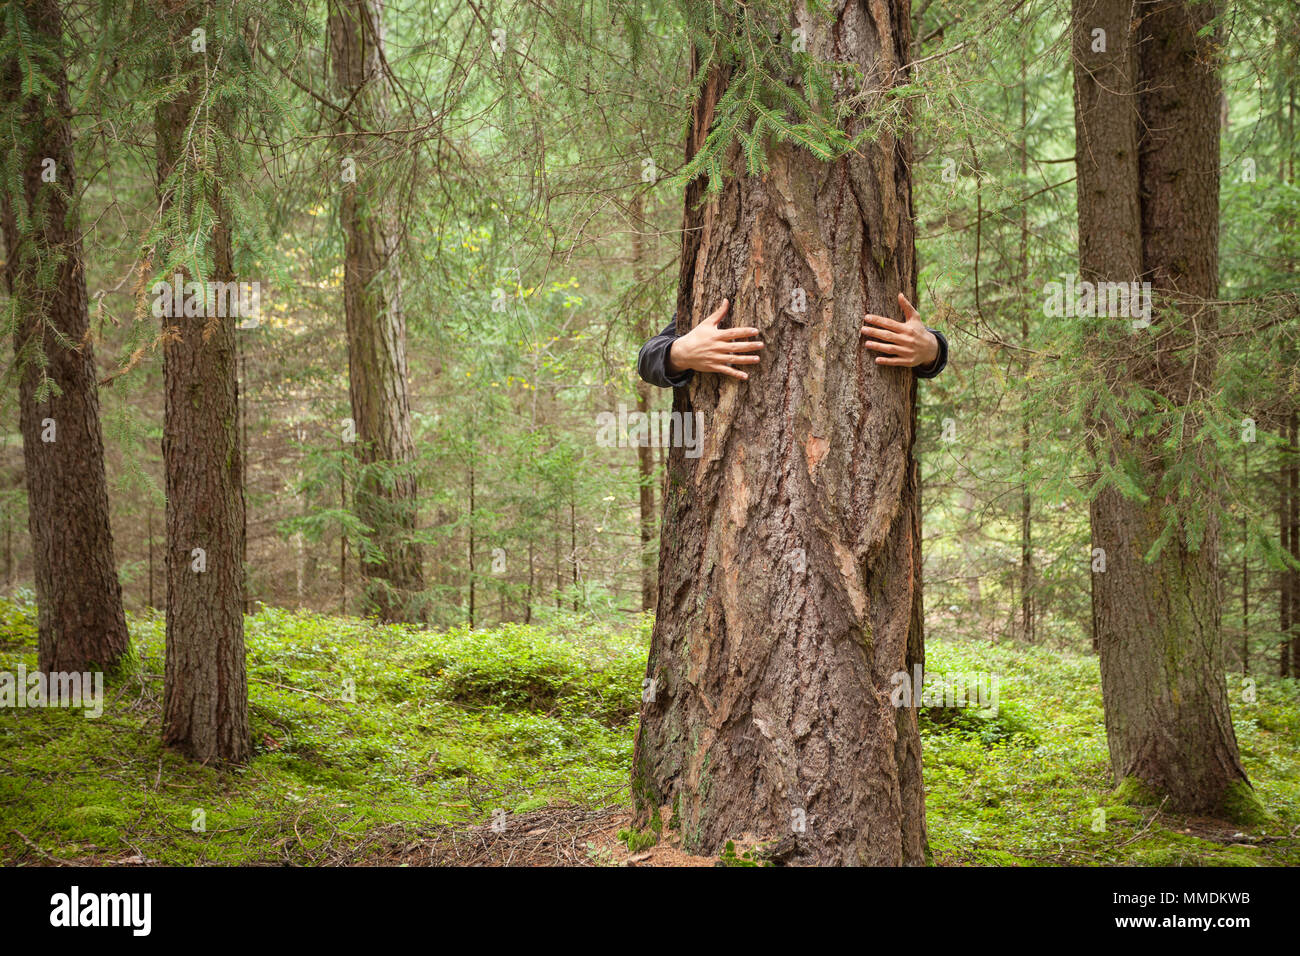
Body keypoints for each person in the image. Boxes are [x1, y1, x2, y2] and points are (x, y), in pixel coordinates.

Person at [637, 293, 947, 388]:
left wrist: (931, 349)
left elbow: (922, 338)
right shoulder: (710, 294)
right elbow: (648, 358)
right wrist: (678, 353)